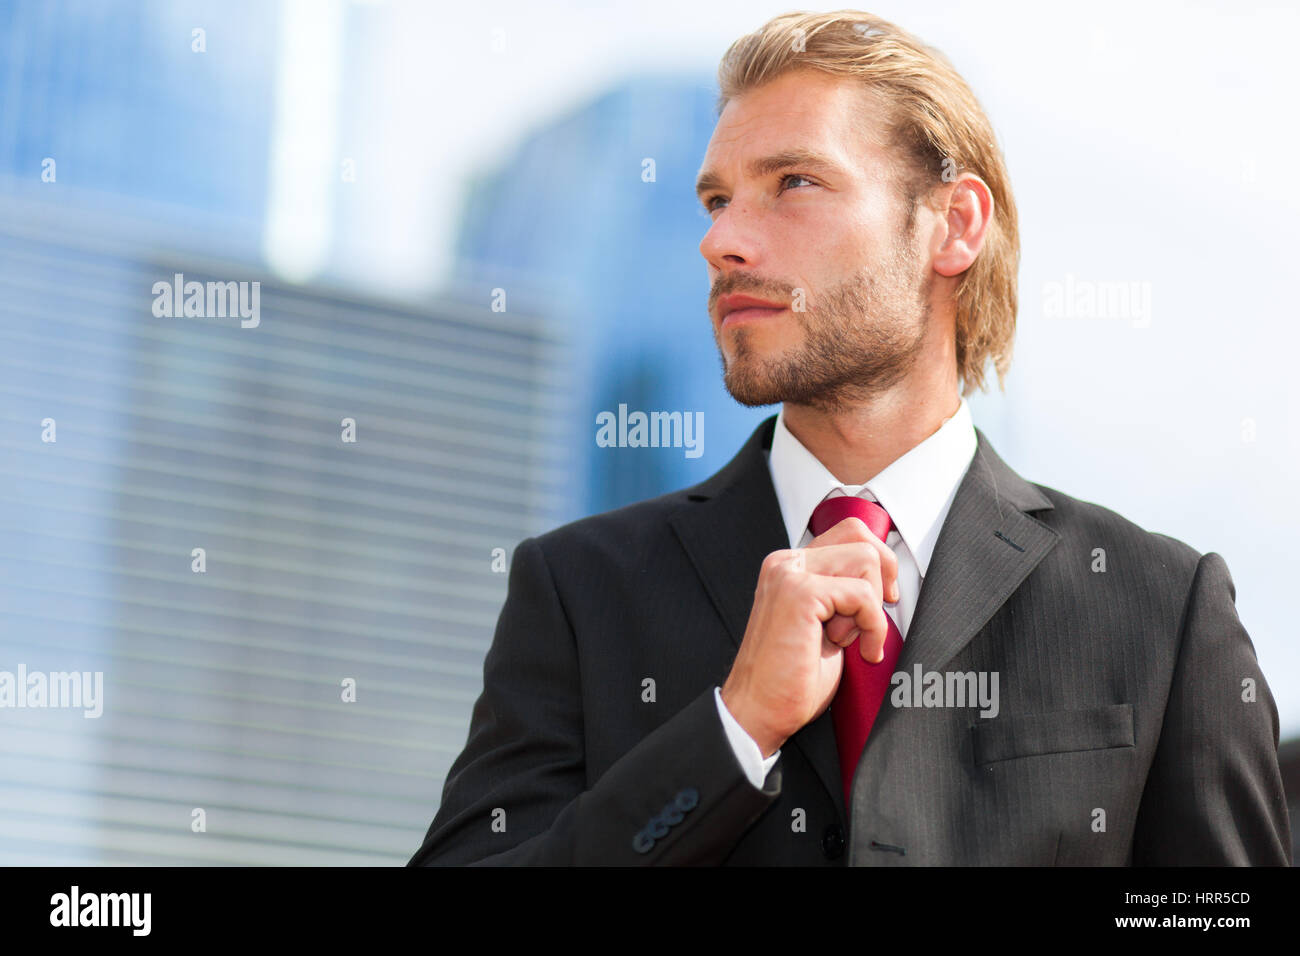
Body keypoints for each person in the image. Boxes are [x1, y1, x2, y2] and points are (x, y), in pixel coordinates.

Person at [408, 10, 1291, 866]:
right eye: (717, 199)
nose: (722, 240)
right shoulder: (578, 591)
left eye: (794, 182)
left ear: (954, 225)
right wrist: (735, 728)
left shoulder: (1162, 611)